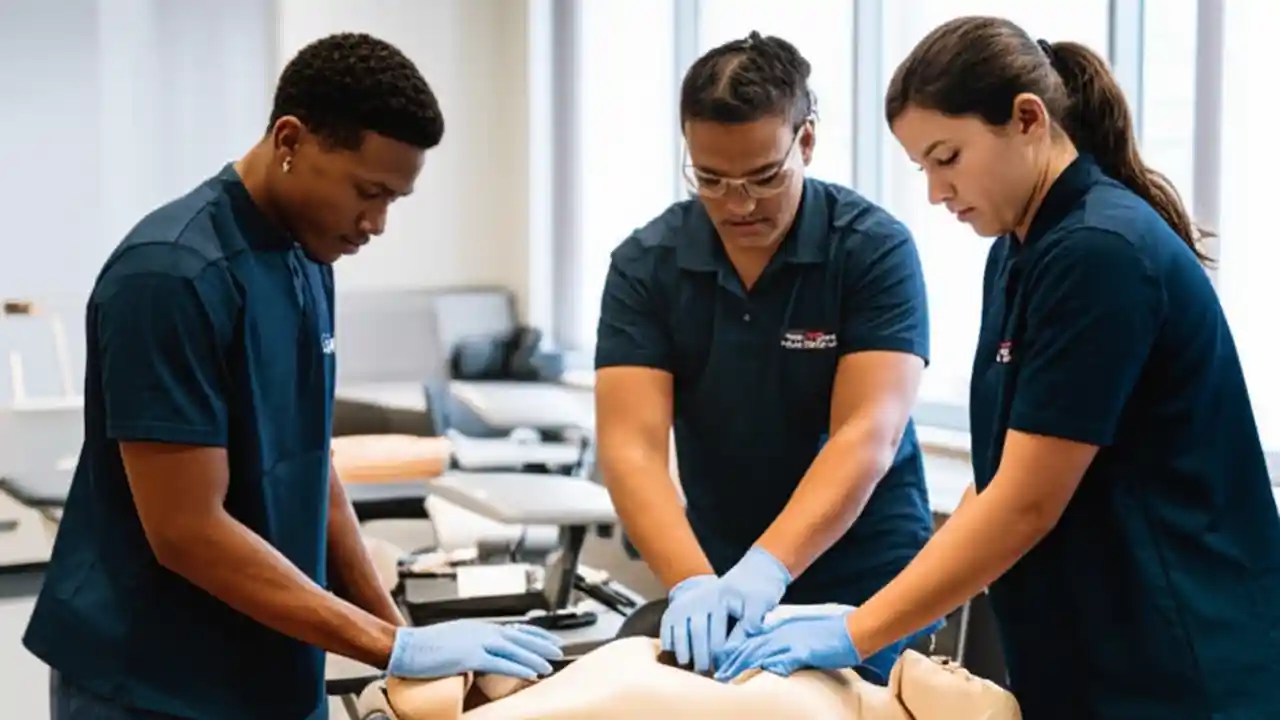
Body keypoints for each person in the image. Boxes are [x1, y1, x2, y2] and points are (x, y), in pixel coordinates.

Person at [713, 15, 1280, 719]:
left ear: (1027, 119)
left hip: (1178, 658)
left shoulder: (1100, 252)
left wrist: (857, 631)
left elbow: (1028, 504)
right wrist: (883, 609)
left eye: (947, 158)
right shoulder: (1019, 253)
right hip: (1092, 652)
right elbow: (1003, 479)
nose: (934, 192)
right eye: (922, 167)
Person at [22, 32, 562, 719]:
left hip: (273, 668)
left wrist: (400, 633)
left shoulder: (309, 255)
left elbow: (312, 467)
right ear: (290, 139)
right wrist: (386, 648)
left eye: (396, 198)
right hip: (153, 684)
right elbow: (187, 530)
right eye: (368, 192)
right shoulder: (171, 274)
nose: (378, 222)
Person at [593, 31, 939, 683]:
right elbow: (631, 447)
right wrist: (696, 583)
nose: (739, 204)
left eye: (763, 177)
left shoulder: (872, 250)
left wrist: (769, 569)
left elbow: (867, 433)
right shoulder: (647, 265)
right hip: (721, 572)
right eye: (712, 180)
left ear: (805, 141)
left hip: (866, 580)